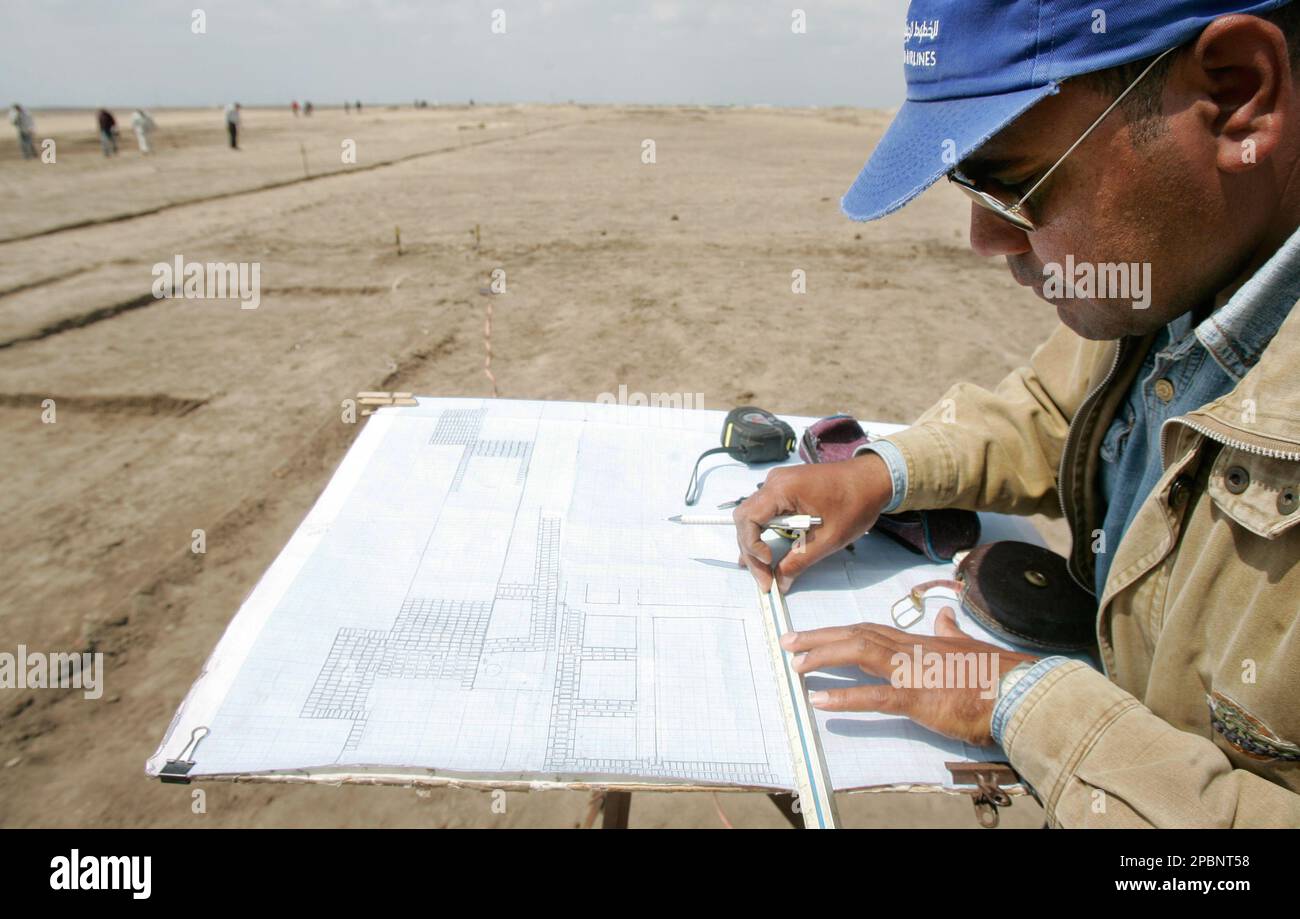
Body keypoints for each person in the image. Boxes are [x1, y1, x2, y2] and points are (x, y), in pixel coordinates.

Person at [733, 0, 1300, 827]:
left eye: (1018, 183)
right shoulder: (1174, 278)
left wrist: (1019, 700)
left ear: (1236, 93)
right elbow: (1048, 409)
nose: (986, 240)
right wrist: (877, 474)